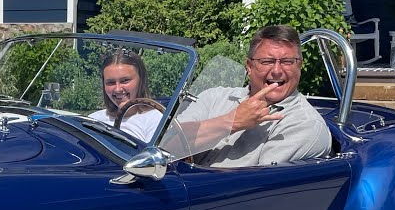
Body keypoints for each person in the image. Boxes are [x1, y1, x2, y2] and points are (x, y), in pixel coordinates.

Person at [170, 25, 333, 168]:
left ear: (299, 65)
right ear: (249, 66)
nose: (277, 70)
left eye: (287, 61)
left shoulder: (305, 125)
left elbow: (257, 189)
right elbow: (168, 147)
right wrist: (231, 121)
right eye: (267, 61)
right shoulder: (214, 96)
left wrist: (232, 122)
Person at [87, 50, 164, 142]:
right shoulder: (93, 119)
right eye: (110, 83)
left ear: (141, 80)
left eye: (125, 81)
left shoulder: (156, 120)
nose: (118, 89)